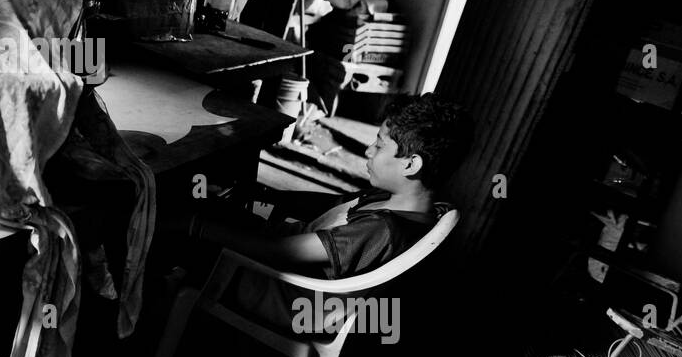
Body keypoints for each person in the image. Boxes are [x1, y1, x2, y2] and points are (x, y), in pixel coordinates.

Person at [170, 93, 474, 327]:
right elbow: (323, 204)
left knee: (174, 230)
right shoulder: (404, 203)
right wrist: (252, 193)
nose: (368, 151)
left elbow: (278, 251)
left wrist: (195, 225)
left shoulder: (382, 230)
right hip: (283, 266)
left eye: (379, 146)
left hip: (281, 294)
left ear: (411, 164)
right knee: (209, 205)